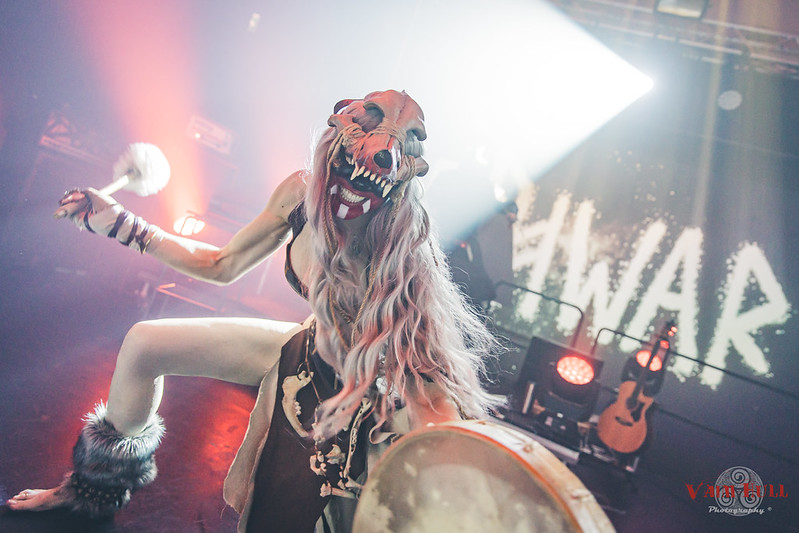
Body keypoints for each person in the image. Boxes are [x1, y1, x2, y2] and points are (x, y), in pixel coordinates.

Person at [6, 90, 499, 531]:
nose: (380, 151)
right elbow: (221, 264)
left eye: (398, 144)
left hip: (372, 383)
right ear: (338, 129)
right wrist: (118, 222)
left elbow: (424, 364)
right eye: (368, 123)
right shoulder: (299, 193)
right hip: (306, 347)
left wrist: (449, 448)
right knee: (144, 344)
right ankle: (89, 494)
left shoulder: (400, 235)